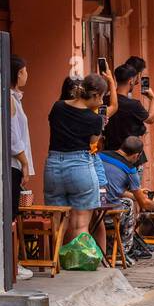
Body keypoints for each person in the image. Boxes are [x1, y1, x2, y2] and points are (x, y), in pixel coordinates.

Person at [45, 73, 110, 241]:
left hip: (53, 167)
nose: (102, 102)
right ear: (95, 95)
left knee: (58, 221)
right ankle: (79, 262)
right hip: (80, 166)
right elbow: (93, 142)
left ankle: (57, 262)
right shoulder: (94, 119)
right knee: (80, 224)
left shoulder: (57, 107)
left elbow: (52, 123)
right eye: (102, 97)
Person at [100, 135, 154, 263]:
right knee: (129, 204)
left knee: (128, 199)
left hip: (93, 210)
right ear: (137, 155)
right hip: (109, 215)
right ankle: (123, 250)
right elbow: (145, 204)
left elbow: (111, 189)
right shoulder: (130, 170)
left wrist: (136, 194)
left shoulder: (101, 156)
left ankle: (113, 249)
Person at [9, 56, 34, 280]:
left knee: (13, 214)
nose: (27, 75)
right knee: (11, 215)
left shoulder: (16, 99)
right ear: (18, 74)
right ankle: (12, 264)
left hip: (17, 163)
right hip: (14, 164)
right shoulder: (9, 99)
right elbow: (13, 137)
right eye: (25, 71)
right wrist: (24, 163)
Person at [104, 63, 154, 151]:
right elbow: (150, 119)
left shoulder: (104, 100)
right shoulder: (133, 105)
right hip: (129, 152)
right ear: (131, 81)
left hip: (108, 151)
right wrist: (153, 99)